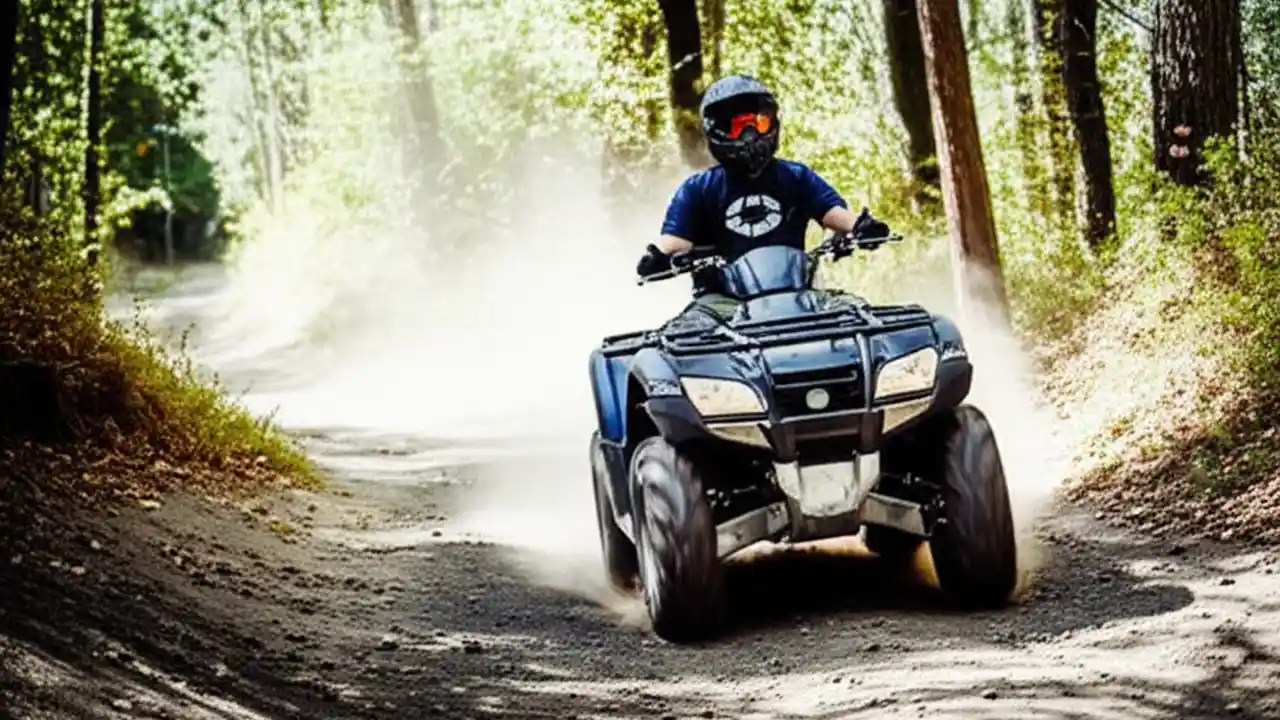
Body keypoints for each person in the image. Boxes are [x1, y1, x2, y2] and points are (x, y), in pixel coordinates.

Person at [636, 74, 890, 311]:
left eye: (759, 122)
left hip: (798, 295)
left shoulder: (796, 177)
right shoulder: (698, 190)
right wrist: (657, 257)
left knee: (853, 311)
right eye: (738, 126)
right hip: (720, 305)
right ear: (717, 131)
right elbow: (675, 242)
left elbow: (833, 213)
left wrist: (861, 226)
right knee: (687, 336)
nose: (750, 135)